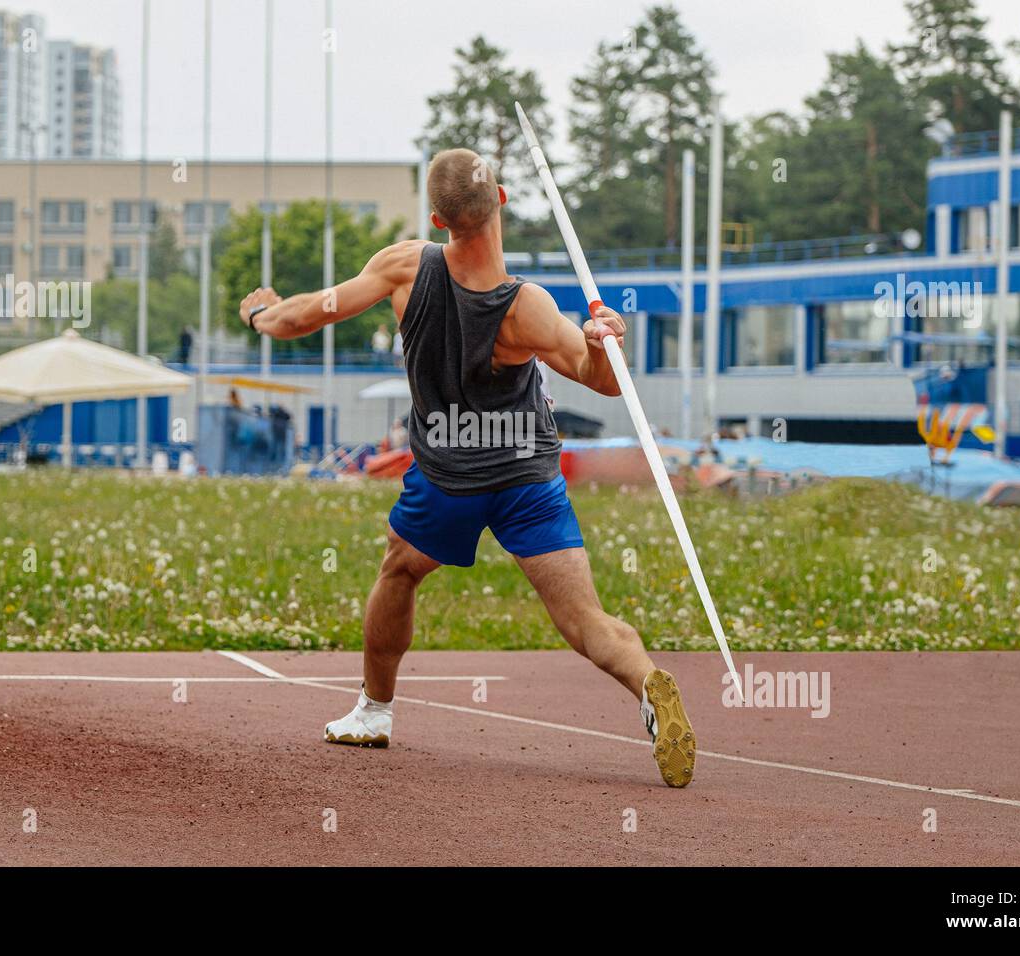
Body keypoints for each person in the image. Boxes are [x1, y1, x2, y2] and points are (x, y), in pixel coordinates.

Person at [238, 148, 696, 787]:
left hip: (446, 477)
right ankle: (647, 684)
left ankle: (373, 711)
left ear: (437, 218)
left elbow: (301, 316)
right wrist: (606, 342)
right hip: (529, 476)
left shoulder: (403, 265)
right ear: (502, 200)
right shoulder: (528, 306)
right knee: (584, 619)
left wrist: (260, 312)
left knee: (399, 570)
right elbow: (605, 384)